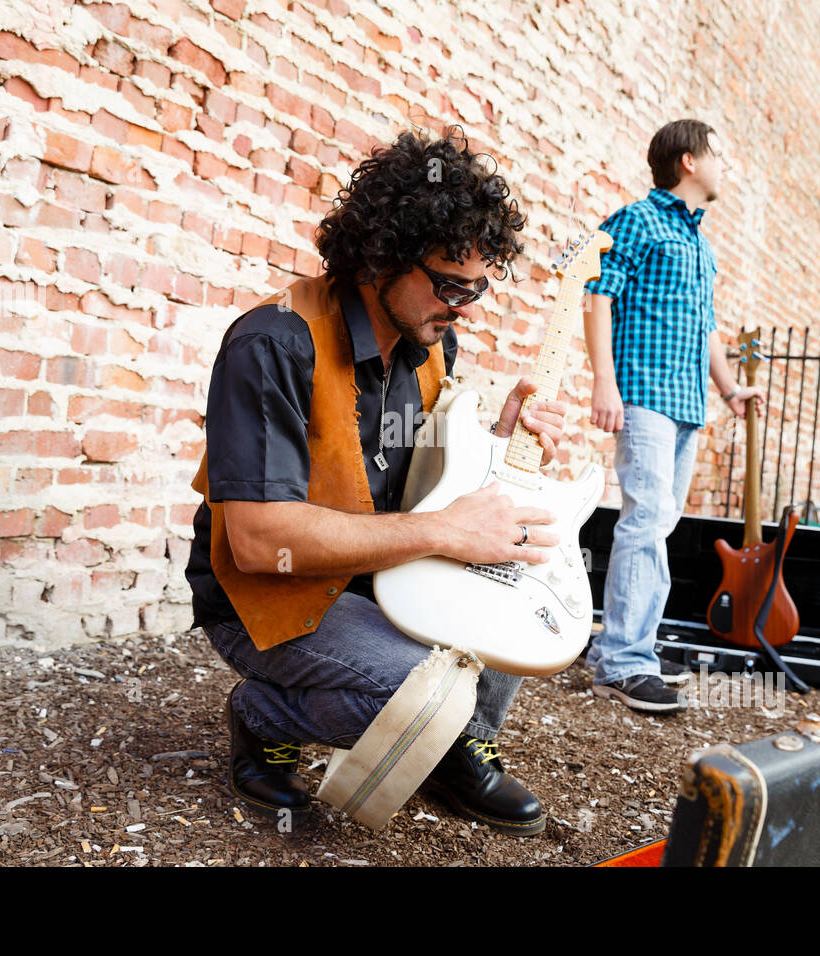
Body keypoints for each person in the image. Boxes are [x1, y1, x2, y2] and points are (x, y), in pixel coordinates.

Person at [184, 128, 568, 835]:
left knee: (512, 602)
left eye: (478, 286)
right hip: (265, 600)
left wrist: (497, 442)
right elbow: (261, 542)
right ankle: (266, 715)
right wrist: (443, 534)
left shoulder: (428, 342)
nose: (465, 305)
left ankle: (445, 746)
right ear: (382, 256)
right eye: (451, 284)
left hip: (369, 578)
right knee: (431, 686)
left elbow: (420, 470)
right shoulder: (272, 343)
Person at [582, 119, 765, 712]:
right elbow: (596, 294)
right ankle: (625, 663)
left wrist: (731, 388)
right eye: (720, 156)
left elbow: (707, 325)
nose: (726, 167)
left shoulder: (701, 243)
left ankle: (625, 648)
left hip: (687, 402)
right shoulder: (637, 219)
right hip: (642, 394)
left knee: (658, 523)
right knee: (647, 521)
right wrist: (603, 383)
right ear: (688, 161)